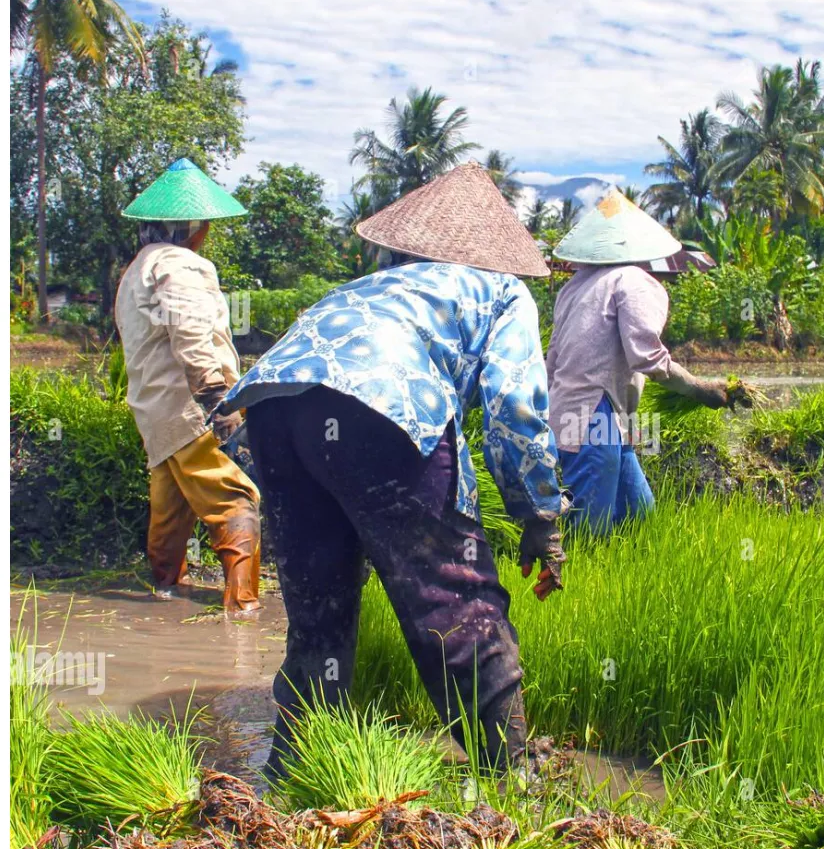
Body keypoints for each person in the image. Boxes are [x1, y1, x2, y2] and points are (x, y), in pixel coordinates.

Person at [218, 162, 569, 775]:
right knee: (455, 600)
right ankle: (512, 777)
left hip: (275, 409)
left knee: (317, 608)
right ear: (495, 251)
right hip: (384, 406)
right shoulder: (502, 290)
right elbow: (516, 406)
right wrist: (540, 514)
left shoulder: (359, 290)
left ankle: (292, 774)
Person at [546, 188, 745, 534]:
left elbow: (554, 358)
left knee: (639, 517)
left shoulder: (575, 285)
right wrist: (700, 389)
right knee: (591, 530)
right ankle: (580, 578)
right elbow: (648, 358)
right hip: (595, 417)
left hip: (577, 412)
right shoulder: (635, 282)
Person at [115, 158, 261, 614]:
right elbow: (192, 332)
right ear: (192, 228)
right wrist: (217, 399)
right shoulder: (181, 265)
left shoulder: (136, 269)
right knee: (235, 499)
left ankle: (165, 590)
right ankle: (244, 608)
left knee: (171, 506)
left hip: (155, 414)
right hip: (188, 408)